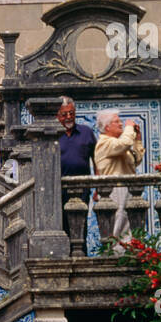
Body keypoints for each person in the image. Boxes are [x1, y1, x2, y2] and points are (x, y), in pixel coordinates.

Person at [94, 109, 144, 243]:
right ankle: (115, 257)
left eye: (121, 121)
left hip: (126, 189)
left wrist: (137, 141)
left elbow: (135, 160)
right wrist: (129, 128)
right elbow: (124, 143)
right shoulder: (105, 143)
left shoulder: (117, 144)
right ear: (107, 127)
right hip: (113, 191)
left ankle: (127, 254)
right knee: (117, 224)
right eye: (117, 121)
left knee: (127, 226)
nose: (121, 124)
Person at [57, 96, 96, 233]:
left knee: (80, 227)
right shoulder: (52, 135)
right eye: (64, 114)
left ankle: (81, 253)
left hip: (82, 189)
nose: (69, 117)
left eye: (71, 113)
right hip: (58, 190)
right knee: (61, 227)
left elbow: (96, 160)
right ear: (57, 115)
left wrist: (98, 187)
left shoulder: (86, 132)